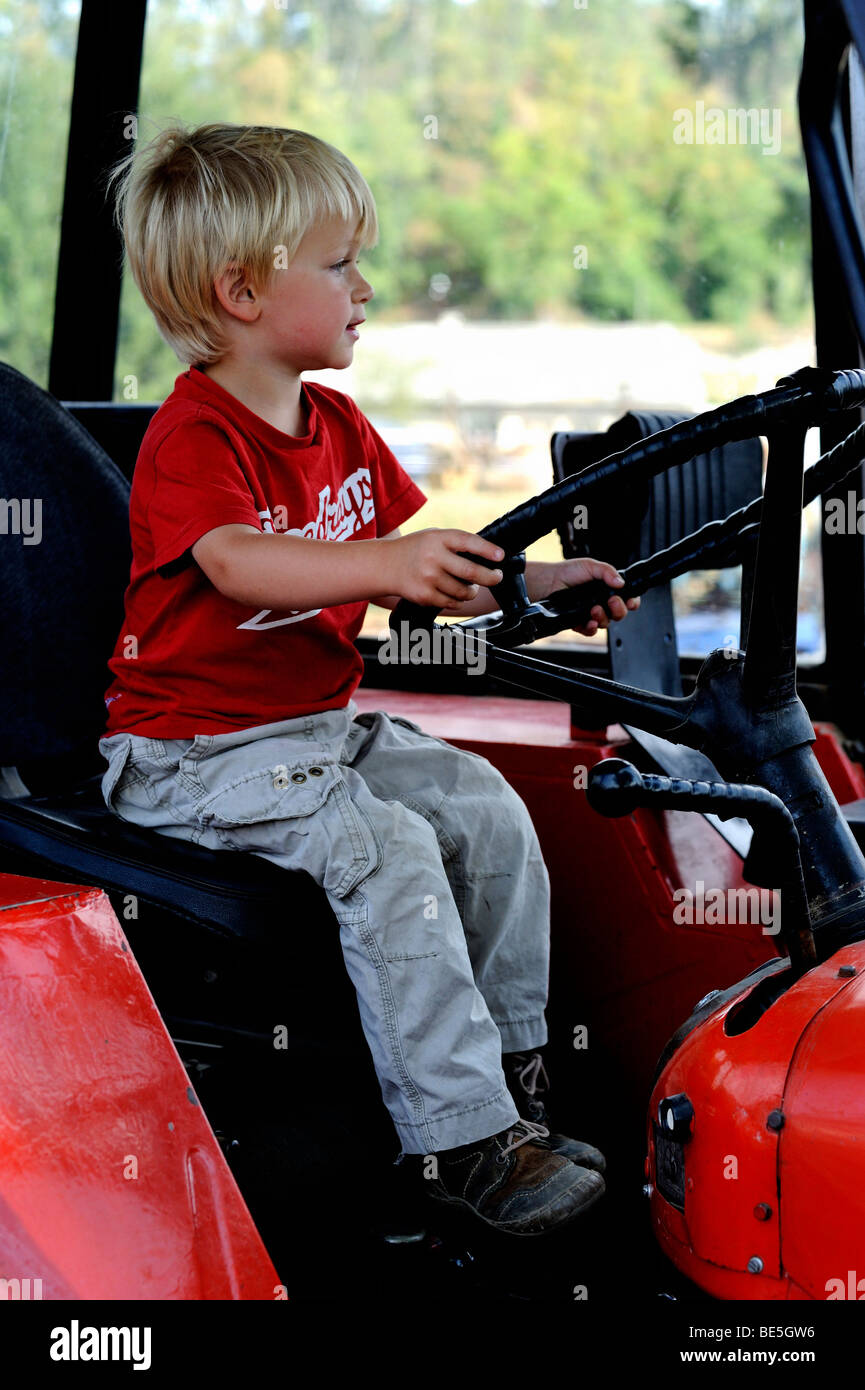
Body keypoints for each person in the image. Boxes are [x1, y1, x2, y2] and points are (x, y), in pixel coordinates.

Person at [98, 122, 639, 1238]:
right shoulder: (194, 437)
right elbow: (237, 560)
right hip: (190, 757)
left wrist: (542, 582)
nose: (368, 288)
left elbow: (424, 562)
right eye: (340, 264)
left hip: (309, 731)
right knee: (384, 847)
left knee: (485, 807)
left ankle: (508, 1090)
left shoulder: (336, 423)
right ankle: (459, 1146)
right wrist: (384, 563)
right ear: (241, 290)